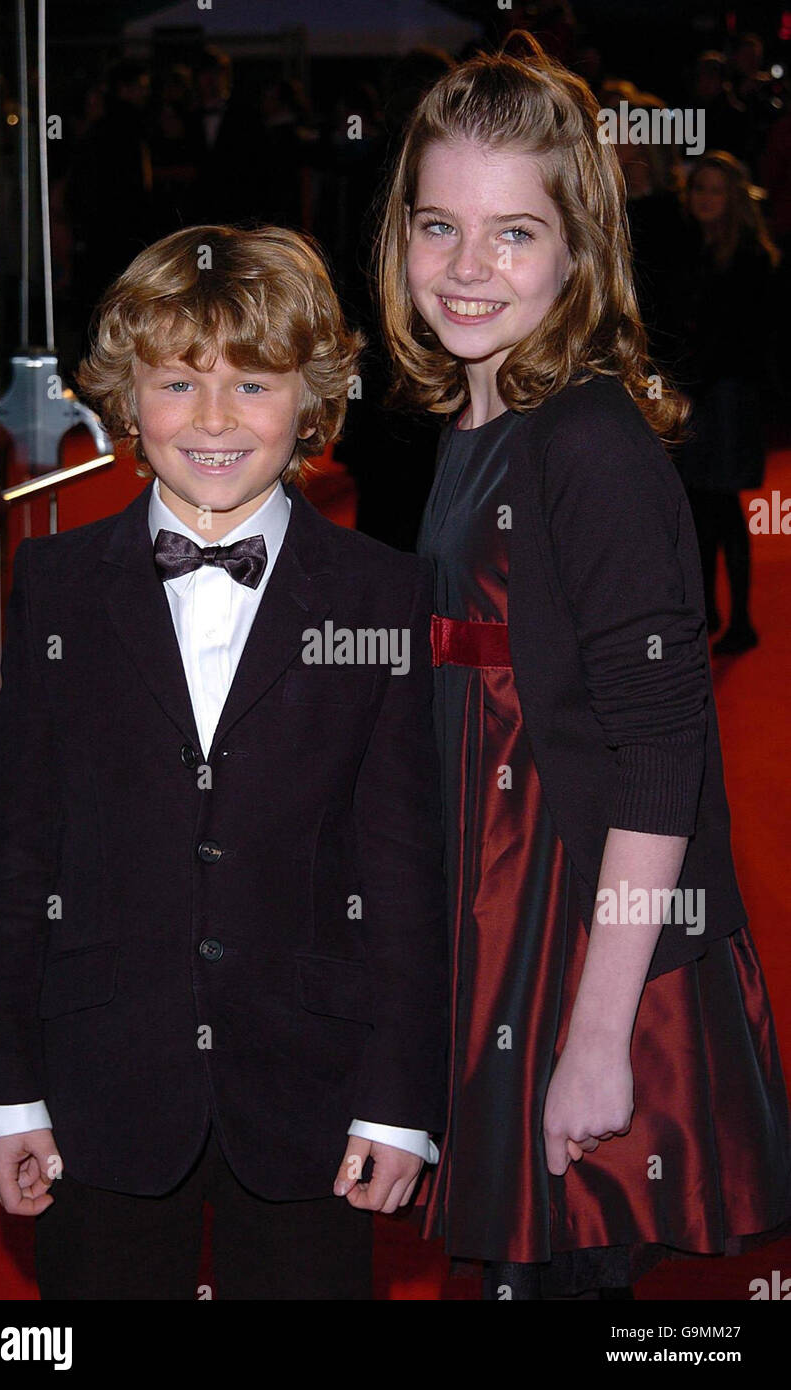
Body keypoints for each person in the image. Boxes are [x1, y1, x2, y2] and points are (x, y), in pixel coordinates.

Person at [375, 33, 791, 1300]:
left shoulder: (589, 444)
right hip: (499, 924)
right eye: (439, 225)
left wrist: (600, 1032)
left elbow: (666, 756)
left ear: (579, 247)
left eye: (513, 233)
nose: (467, 268)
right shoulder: (477, 414)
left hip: (579, 948)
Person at [0, 224, 448, 1301]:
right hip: (100, 1081)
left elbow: (406, 872)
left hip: (313, 1090)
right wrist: (4, 1091)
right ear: (128, 403)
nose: (216, 421)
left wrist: (399, 1100)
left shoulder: (384, 596)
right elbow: (18, 853)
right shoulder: (56, 586)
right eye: (179, 384)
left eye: (255, 384)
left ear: (313, 403)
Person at [674, 150, 781, 653]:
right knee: (699, 506)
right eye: (700, 189)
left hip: (730, 396)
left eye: (716, 190)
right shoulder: (690, 248)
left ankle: (740, 617)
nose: (706, 199)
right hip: (697, 392)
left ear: (734, 197)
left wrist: (692, 383)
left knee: (723, 506)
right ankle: (710, 609)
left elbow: (744, 339)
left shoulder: (753, 258)